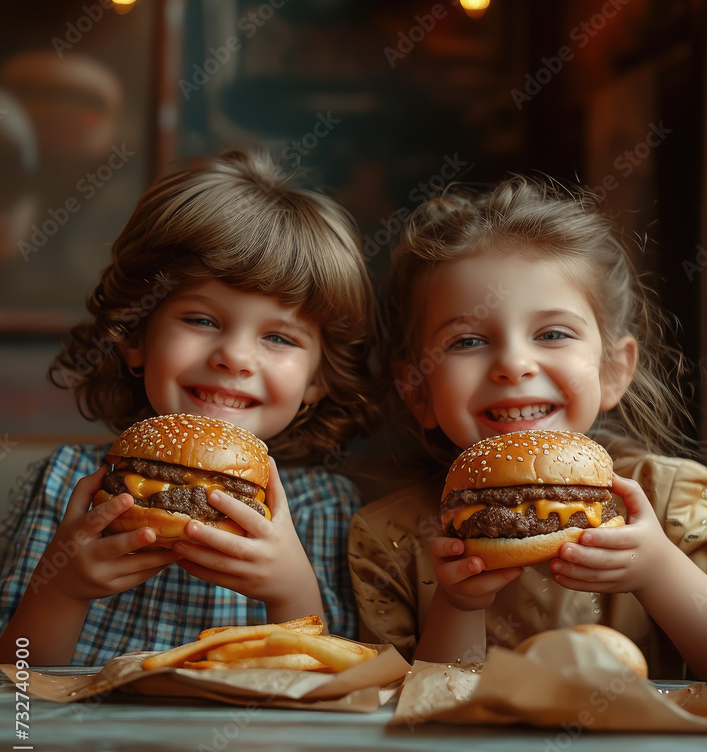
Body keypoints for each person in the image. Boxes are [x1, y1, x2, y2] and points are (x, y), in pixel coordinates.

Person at [0, 148, 379, 665]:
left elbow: (330, 692)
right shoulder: (62, 483)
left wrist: (290, 593)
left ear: (318, 378)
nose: (234, 357)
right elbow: (17, 687)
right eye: (201, 320)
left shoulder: (325, 509)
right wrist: (62, 590)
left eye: (278, 337)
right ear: (135, 336)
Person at [349, 175, 707, 680]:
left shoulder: (670, 496)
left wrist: (660, 572)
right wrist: (459, 606)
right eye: (468, 341)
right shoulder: (389, 539)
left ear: (612, 371)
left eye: (553, 333)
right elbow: (414, 705)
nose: (514, 364)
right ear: (418, 391)